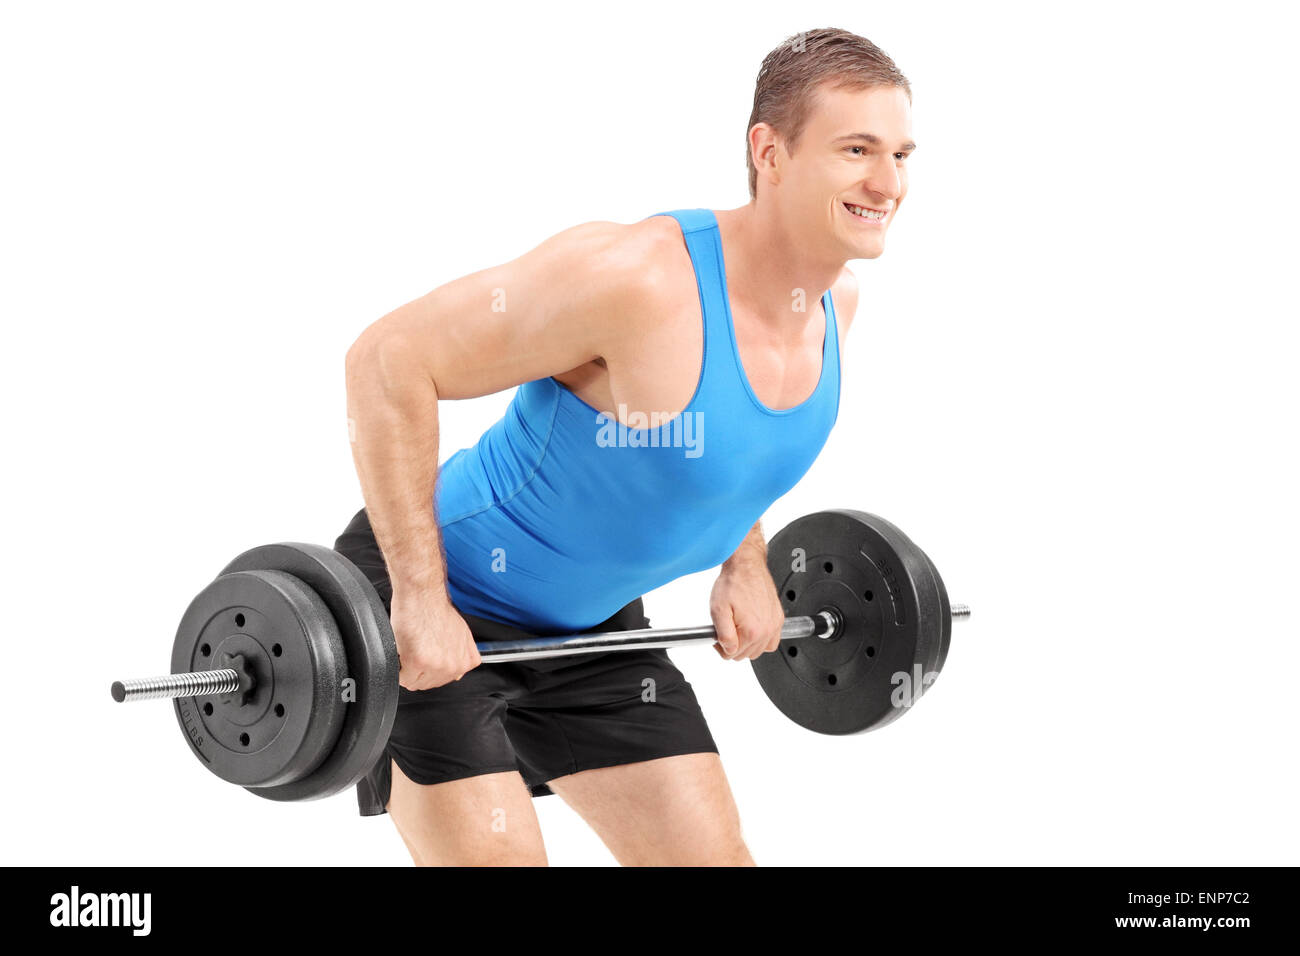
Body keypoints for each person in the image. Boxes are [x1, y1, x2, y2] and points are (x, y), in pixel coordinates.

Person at [337, 26, 914, 866]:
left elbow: (732, 455)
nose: (887, 181)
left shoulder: (836, 309)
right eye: (856, 148)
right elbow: (387, 361)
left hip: (595, 633)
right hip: (434, 609)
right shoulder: (640, 280)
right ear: (771, 152)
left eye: (902, 152)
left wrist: (746, 562)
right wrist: (420, 599)